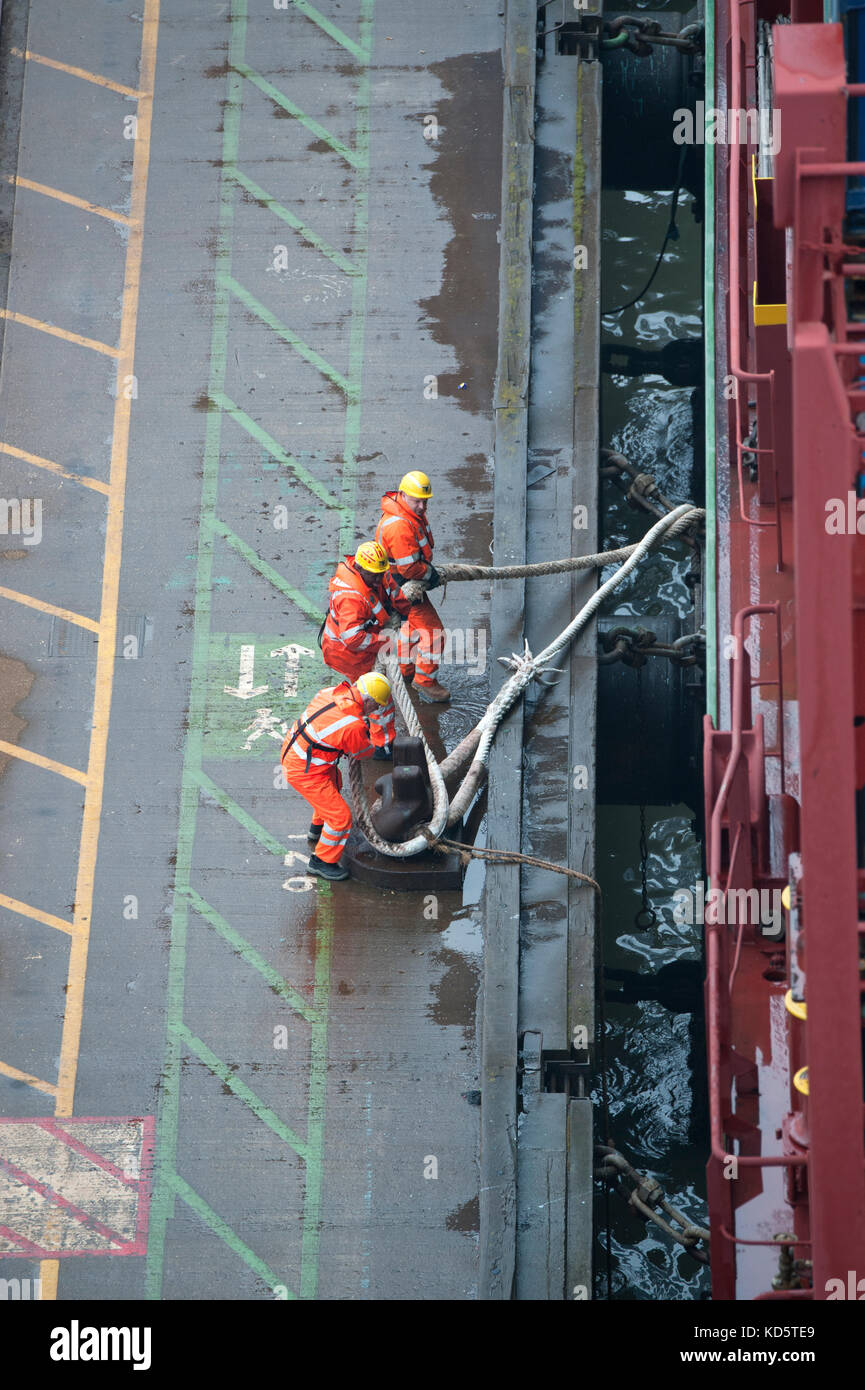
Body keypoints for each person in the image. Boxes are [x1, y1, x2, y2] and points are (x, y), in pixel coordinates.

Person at [280, 672, 392, 881]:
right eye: (375, 705)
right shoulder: (353, 725)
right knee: (341, 818)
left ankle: (317, 829)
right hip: (305, 771)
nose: (376, 710)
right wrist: (366, 734)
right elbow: (362, 753)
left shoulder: (329, 693)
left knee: (334, 784)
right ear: (366, 700)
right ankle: (322, 862)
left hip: (296, 752)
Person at [320, 540, 411, 759]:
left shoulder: (374, 571)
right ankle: (383, 745)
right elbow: (353, 639)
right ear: (360, 569)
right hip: (348, 654)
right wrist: (384, 641)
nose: (380, 579)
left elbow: (390, 587)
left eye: (382, 573)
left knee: (370, 695)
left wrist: (405, 610)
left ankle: (371, 727)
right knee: (380, 698)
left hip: (360, 645)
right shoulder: (351, 598)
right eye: (375, 576)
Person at [375, 470, 449, 703]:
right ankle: (426, 682)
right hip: (403, 585)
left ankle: (406, 670)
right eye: (417, 500)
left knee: (410, 628)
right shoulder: (398, 526)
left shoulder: (405, 512)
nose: (422, 506)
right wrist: (431, 575)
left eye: (425, 501)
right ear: (403, 495)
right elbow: (409, 568)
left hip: (398, 584)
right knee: (434, 633)